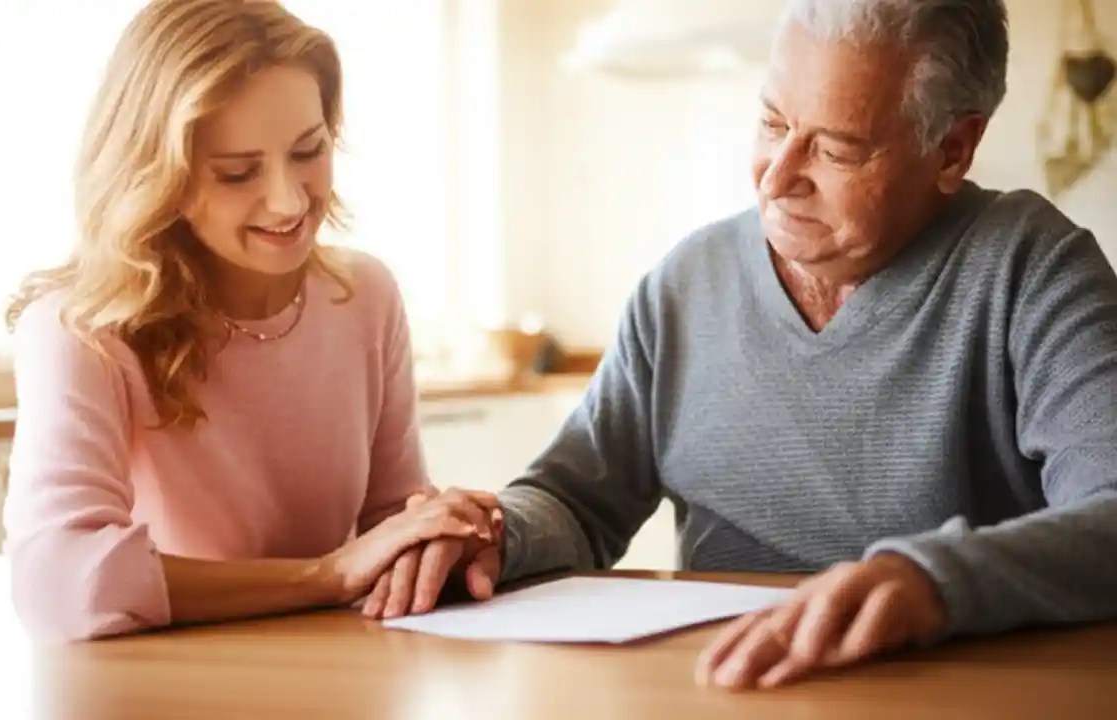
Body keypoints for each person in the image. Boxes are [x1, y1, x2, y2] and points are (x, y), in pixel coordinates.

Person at [363, 0, 1117, 690]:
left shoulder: (1034, 269)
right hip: (729, 688)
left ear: (952, 149)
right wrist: (496, 533)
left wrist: (931, 582)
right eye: (772, 123)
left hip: (952, 692)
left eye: (836, 151)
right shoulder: (686, 283)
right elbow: (574, 499)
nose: (776, 178)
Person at [1, 0, 497, 643]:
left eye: (309, 151)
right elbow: (57, 585)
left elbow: (390, 522)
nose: (288, 202)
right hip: (166, 676)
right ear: (160, 177)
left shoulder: (364, 297)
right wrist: (324, 576)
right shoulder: (80, 329)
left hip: (336, 668)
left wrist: (441, 538)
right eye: (237, 173)